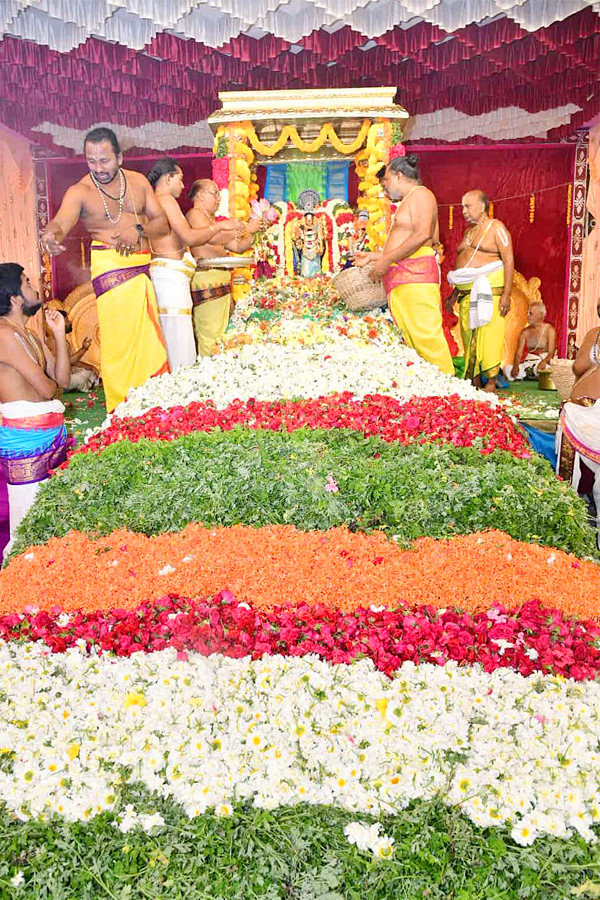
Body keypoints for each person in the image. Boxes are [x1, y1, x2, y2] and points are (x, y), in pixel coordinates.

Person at [40, 127, 170, 412]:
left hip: (140, 272)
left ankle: (151, 408)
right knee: (118, 347)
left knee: (149, 347)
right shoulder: (81, 191)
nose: (98, 168)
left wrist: (138, 229)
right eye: (91, 161)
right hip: (111, 273)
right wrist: (51, 236)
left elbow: (162, 225)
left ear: (120, 157)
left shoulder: (137, 183)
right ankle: (121, 412)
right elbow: (61, 222)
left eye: (104, 161)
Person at [354, 154, 454, 375]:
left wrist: (386, 261)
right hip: (405, 279)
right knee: (414, 343)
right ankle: (432, 394)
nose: (385, 188)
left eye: (387, 181)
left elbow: (421, 236)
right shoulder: (410, 200)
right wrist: (375, 257)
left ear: (400, 176)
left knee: (427, 339)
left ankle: (451, 394)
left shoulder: (421, 195)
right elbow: (414, 240)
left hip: (415, 278)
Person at [0, 264, 71, 558]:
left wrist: (57, 335)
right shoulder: (4, 335)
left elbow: (63, 381)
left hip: (48, 433)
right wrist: (52, 385)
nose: (34, 288)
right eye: (27, 284)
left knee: (49, 520)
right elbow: (45, 389)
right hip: (25, 440)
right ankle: (17, 588)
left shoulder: (28, 334)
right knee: (28, 525)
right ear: (15, 298)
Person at [147, 158, 244, 371]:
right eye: (180, 179)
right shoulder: (164, 199)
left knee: (181, 334)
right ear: (168, 177)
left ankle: (185, 381)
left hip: (173, 276)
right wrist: (220, 228)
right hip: (170, 277)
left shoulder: (160, 201)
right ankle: (183, 385)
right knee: (178, 336)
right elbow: (190, 237)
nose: (183, 186)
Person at [447, 190, 514, 392]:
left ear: (483, 206)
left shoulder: (496, 227)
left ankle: (491, 381)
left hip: (491, 293)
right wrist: (454, 294)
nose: (463, 211)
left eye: (468, 206)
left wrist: (506, 295)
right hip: (467, 293)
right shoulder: (469, 232)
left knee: (489, 336)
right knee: (469, 338)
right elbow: (466, 266)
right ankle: (475, 380)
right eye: (462, 207)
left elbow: (508, 259)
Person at [186, 180, 261, 356]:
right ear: (201, 195)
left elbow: (238, 246)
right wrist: (245, 228)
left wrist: (255, 231)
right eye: (215, 193)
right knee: (210, 336)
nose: (218, 198)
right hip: (207, 281)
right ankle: (207, 373)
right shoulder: (195, 214)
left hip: (221, 281)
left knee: (221, 336)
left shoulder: (213, 222)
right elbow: (210, 239)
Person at [506, 301, 556, 382]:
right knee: (507, 369)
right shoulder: (525, 332)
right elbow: (519, 353)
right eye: (528, 313)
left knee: (546, 370)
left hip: (543, 362)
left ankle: (530, 375)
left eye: (531, 313)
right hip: (529, 363)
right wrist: (515, 366)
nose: (528, 316)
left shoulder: (549, 330)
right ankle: (528, 374)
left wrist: (543, 362)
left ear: (540, 315)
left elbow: (551, 352)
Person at [293, 212, 325, 278]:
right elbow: (298, 241)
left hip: (314, 251)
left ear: (313, 219)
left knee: (315, 272)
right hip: (305, 252)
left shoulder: (317, 228)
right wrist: (300, 242)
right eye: (307, 219)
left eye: (310, 219)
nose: (309, 221)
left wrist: (319, 245)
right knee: (306, 271)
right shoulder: (301, 228)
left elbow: (320, 239)